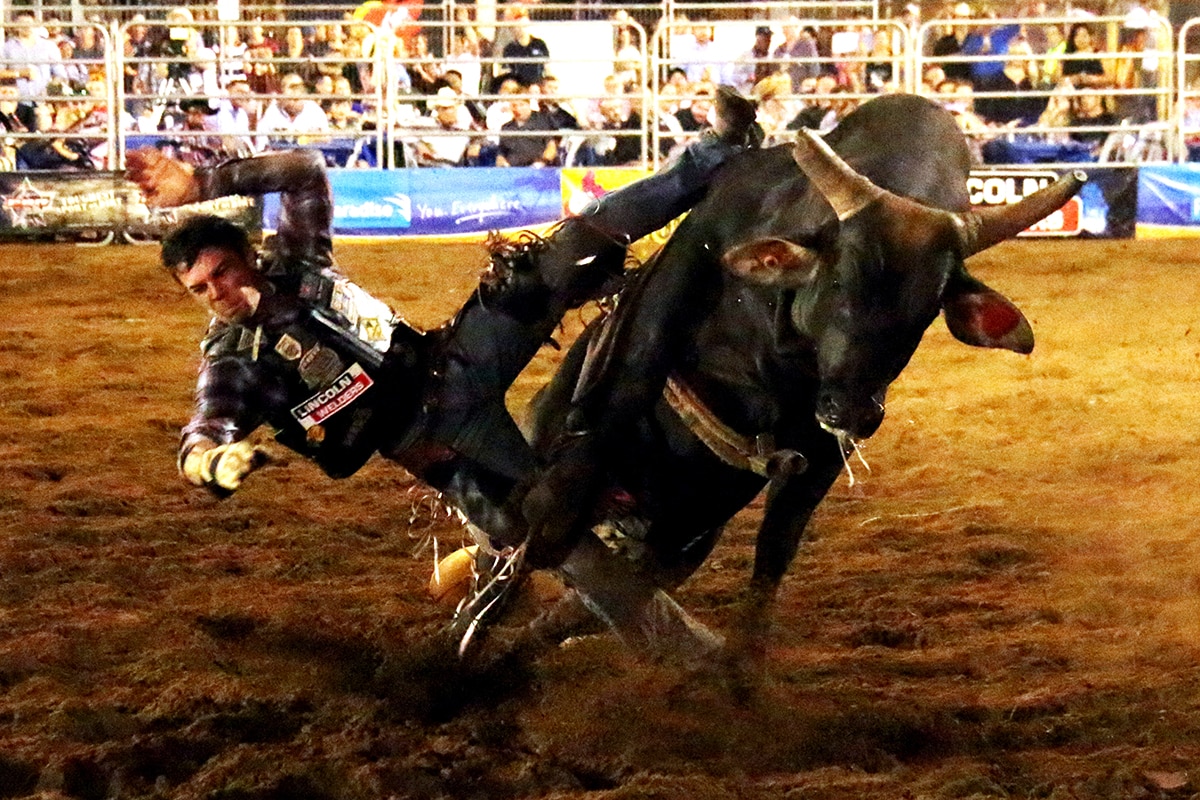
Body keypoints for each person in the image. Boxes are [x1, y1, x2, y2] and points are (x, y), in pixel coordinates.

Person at [126, 86, 759, 646]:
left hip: (453, 361)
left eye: (223, 274)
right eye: (202, 290)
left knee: (566, 251)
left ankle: (716, 153)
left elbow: (303, 170)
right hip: (440, 447)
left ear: (246, 256)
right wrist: (213, 462)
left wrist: (205, 184)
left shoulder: (294, 260)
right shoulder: (234, 362)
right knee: (564, 547)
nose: (220, 295)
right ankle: (698, 660)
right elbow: (202, 433)